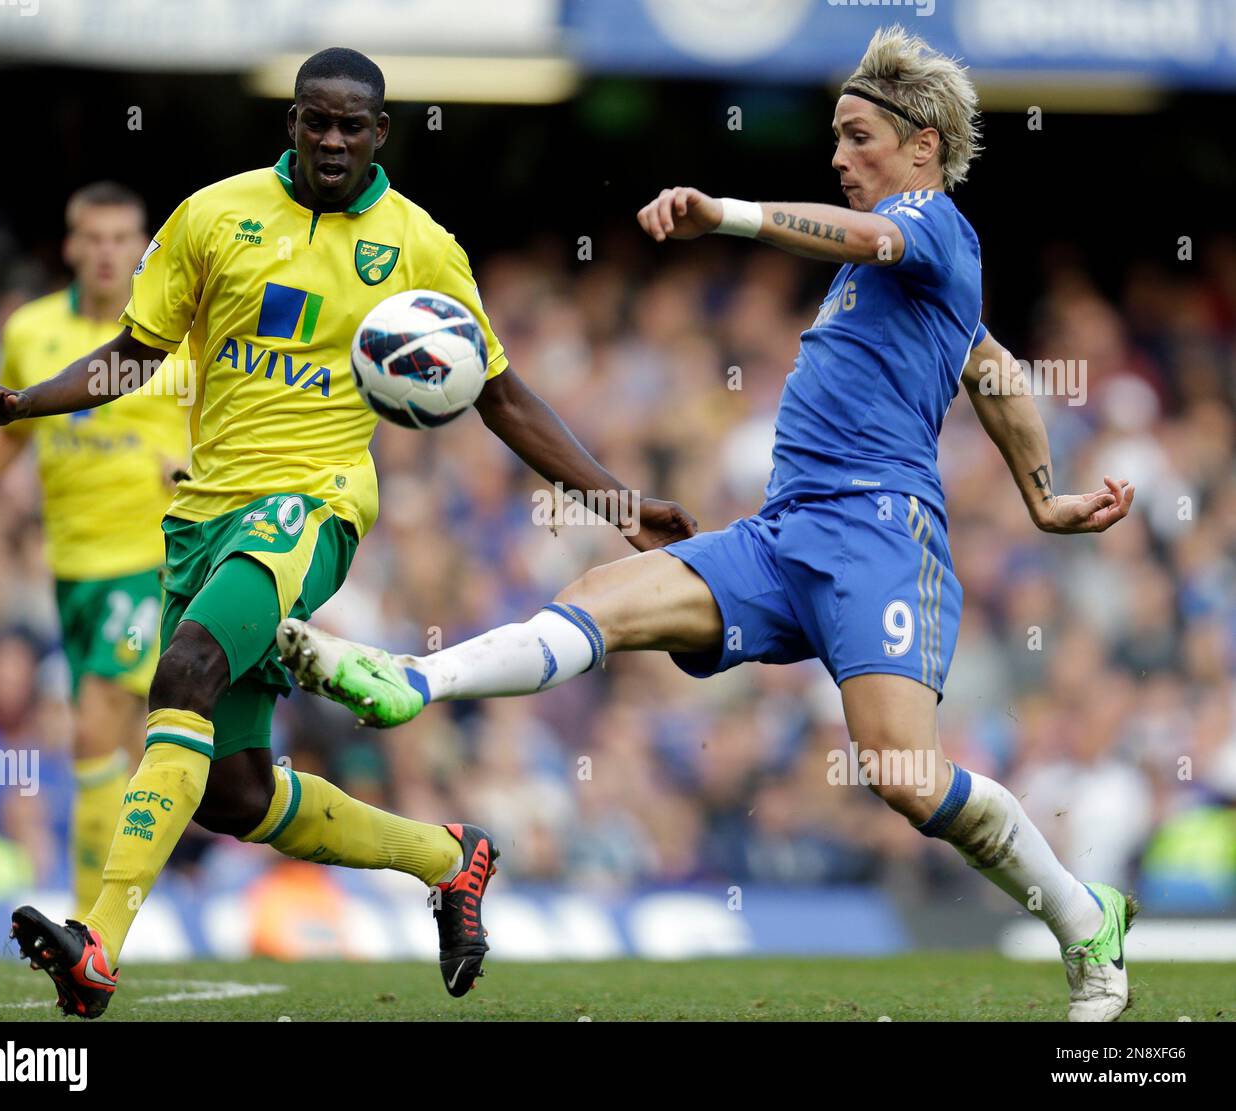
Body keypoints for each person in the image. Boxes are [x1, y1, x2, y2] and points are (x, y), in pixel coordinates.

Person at [279, 27, 1140, 1022]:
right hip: (782, 537)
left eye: (855, 136)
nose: (836, 155)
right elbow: (988, 369)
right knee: (605, 597)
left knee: (903, 776)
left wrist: (722, 213)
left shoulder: (930, 227)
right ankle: (408, 679)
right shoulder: (906, 277)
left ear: (922, 145)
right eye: (834, 137)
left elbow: (874, 244)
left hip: (879, 540)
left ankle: (1083, 919)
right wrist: (1040, 493)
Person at [0, 47, 694, 1017]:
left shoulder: (419, 247)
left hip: (314, 504)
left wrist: (614, 500)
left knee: (185, 670)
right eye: (316, 120)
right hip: (203, 513)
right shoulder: (212, 216)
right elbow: (135, 357)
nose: (333, 138)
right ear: (292, 123)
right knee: (235, 794)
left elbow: (501, 395)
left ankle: (96, 946)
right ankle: (450, 856)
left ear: (381, 133)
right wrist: (29, 403)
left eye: (353, 124)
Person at [0, 182, 188, 918]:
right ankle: (94, 919)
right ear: (73, 246)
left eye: (124, 238)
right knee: (92, 752)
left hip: (150, 560)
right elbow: (17, 426)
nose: (110, 252)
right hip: (72, 568)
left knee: (98, 713)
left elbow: (216, 432)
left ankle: (101, 922)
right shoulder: (33, 331)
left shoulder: (177, 335)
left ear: (142, 247)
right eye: (96, 237)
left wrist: (188, 473)